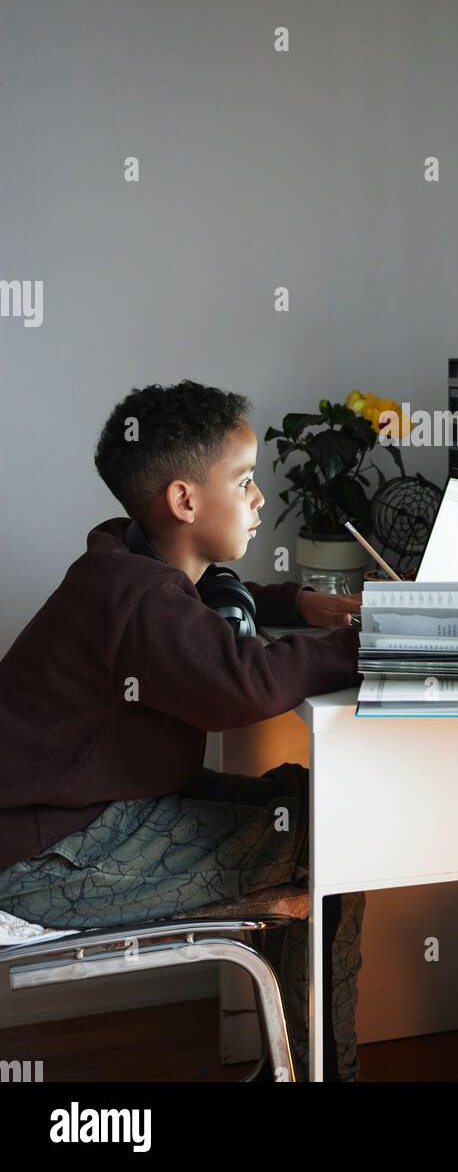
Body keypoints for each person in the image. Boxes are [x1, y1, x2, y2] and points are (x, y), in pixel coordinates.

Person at [0, 379, 365, 1081]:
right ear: (184, 501)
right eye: (244, 480)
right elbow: (242, 685)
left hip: (62, 824)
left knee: (313, 807)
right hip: (44, 857)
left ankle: (300, 1061)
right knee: (338, 834)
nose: (259, 498)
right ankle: (328, 1072)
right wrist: (366, 642)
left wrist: (297, 603)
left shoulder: (124, 560)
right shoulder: (139, 596)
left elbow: (194, 605)